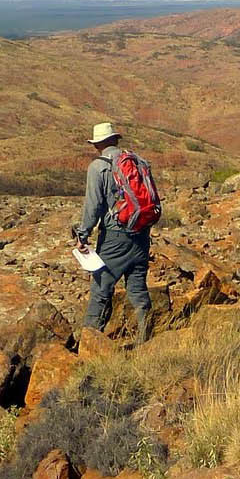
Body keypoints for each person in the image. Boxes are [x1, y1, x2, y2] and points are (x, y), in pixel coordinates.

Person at [72, 122, 154, 342]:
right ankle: (145, 339)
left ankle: (89, 344)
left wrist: (83, 235)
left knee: (101, 289)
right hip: (142, 233)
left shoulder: (98, 167)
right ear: (116, 139)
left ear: (98, 144)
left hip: (115, 238)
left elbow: (93, 206)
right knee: (137, 287)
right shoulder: (138, 161)